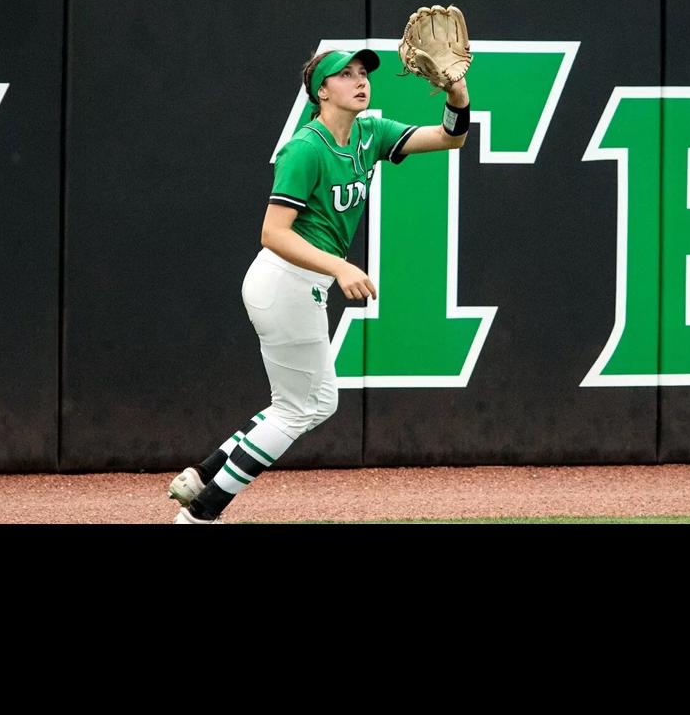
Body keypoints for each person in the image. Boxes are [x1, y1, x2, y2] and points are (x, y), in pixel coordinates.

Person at [168, 47, 471, 523]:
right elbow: (273, 233)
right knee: (301, 407)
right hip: (283, 281)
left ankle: (203, 476)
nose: (360, 80)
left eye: (362, 72)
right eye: (344, 74)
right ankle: (201, 514)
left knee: (306, 404)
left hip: (298, 285)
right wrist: (340, 267)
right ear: (321, 91)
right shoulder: (306, 148)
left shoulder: (370, 134)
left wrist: (457, 91)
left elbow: (450, 137)